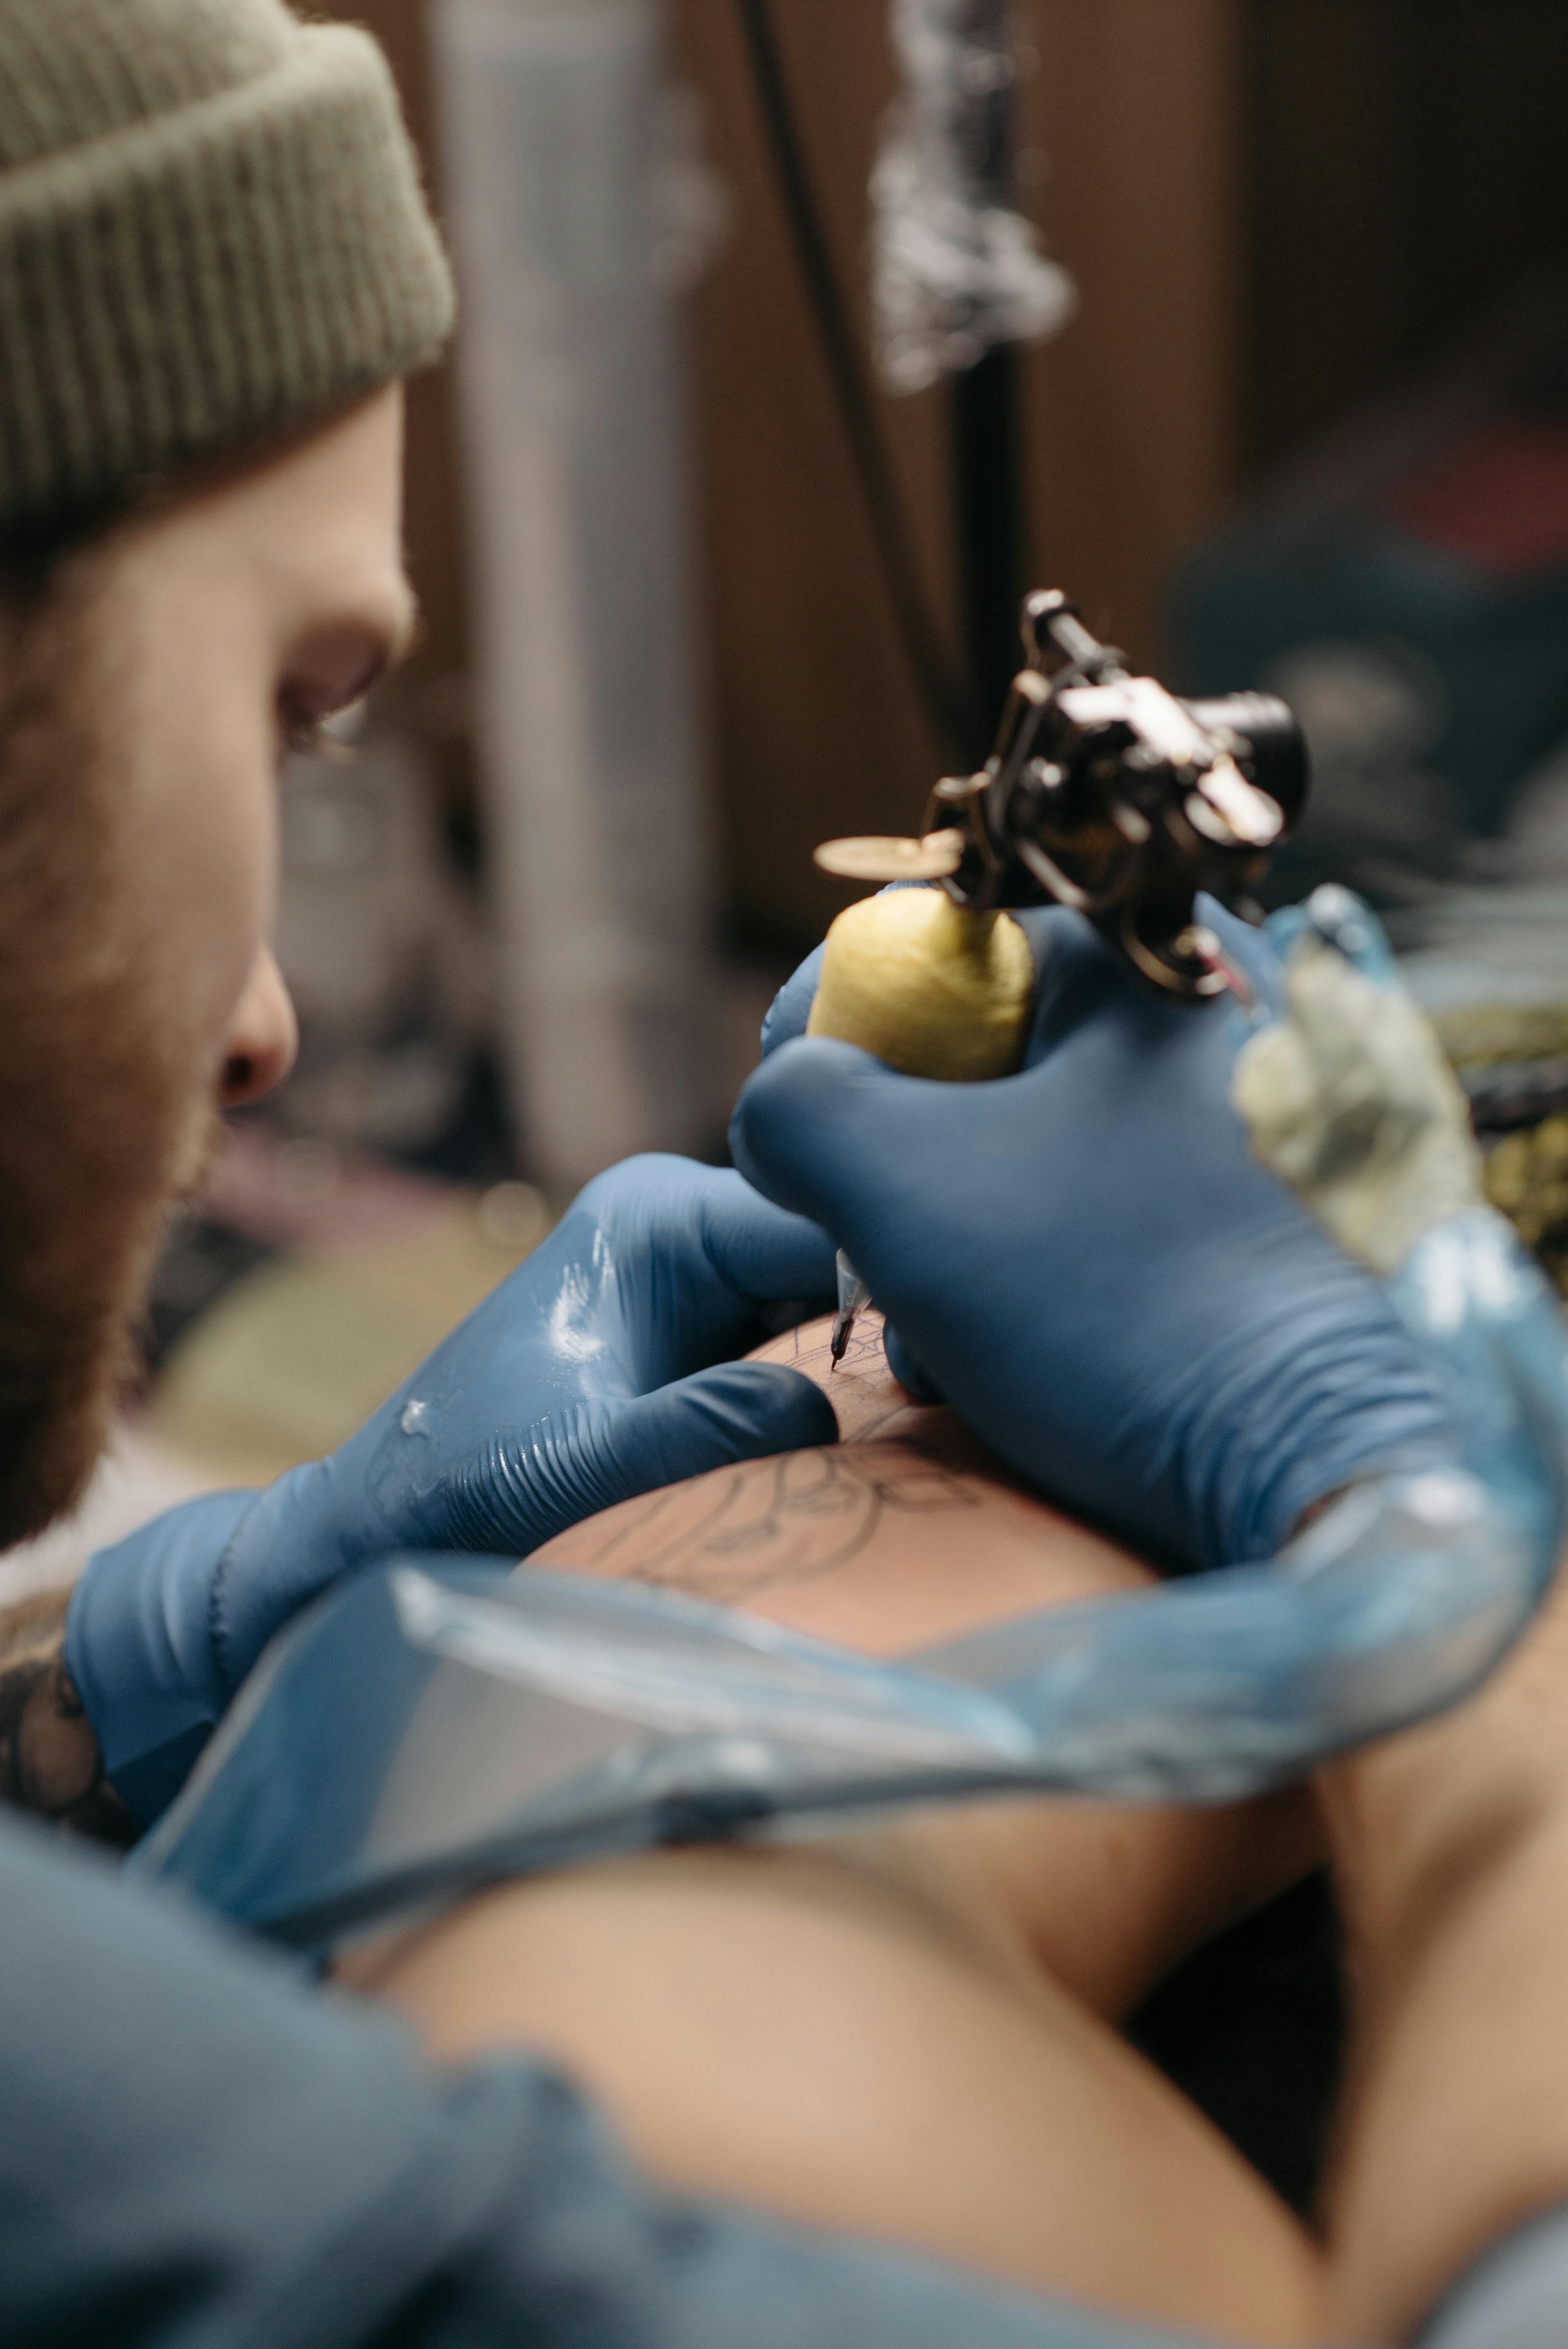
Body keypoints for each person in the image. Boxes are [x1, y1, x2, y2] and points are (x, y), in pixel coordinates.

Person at [0, 3, 1562, 2343]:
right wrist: (1435, 1541)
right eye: (275, 702)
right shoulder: (606, 2115)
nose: (268, 1027)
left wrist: (101, 1685)